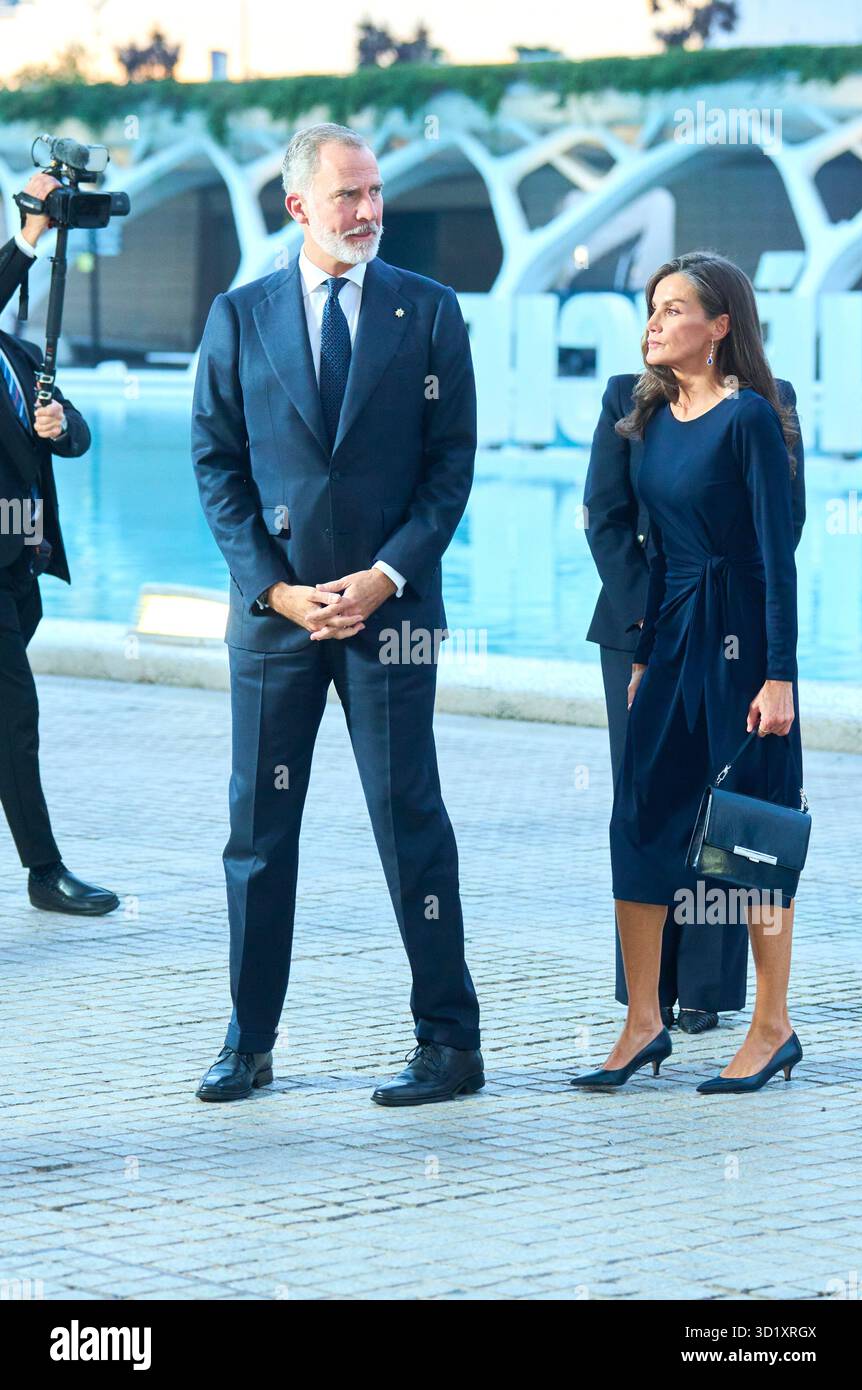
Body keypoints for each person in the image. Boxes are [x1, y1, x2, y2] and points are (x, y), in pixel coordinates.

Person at [192, 123, 483, 1107]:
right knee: (258, 832)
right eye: (348, 195)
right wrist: (271, 588)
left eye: (374, 192)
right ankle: (249, 1037)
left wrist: (385, 577)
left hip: (387, 616)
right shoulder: (239, 317)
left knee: (410, 822)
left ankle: (450, 1041)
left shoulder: (431, 313)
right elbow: (216, 466)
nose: (368, 211)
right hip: (275, 622)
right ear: (298, 207)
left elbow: (449, 470)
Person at [571, 251, 804, 1095]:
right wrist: (643, 655)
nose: (653, 323)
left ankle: (771, 1026)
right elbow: (642, 539)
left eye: (673, 310)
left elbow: (779, 557)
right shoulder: (650, 416)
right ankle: (642, 1021)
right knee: (639, 819)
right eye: (652, 307)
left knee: (751, 833)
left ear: (720, 327)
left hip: (740, 638)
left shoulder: (750, 418)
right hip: (666, 641)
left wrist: (778, 676)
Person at [0, 173, 119, 916]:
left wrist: (60, 426)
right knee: (15, 718)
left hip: (21, 566)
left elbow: (70, 431)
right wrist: (30, 233)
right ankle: (46, 872)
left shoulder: (14, 349)